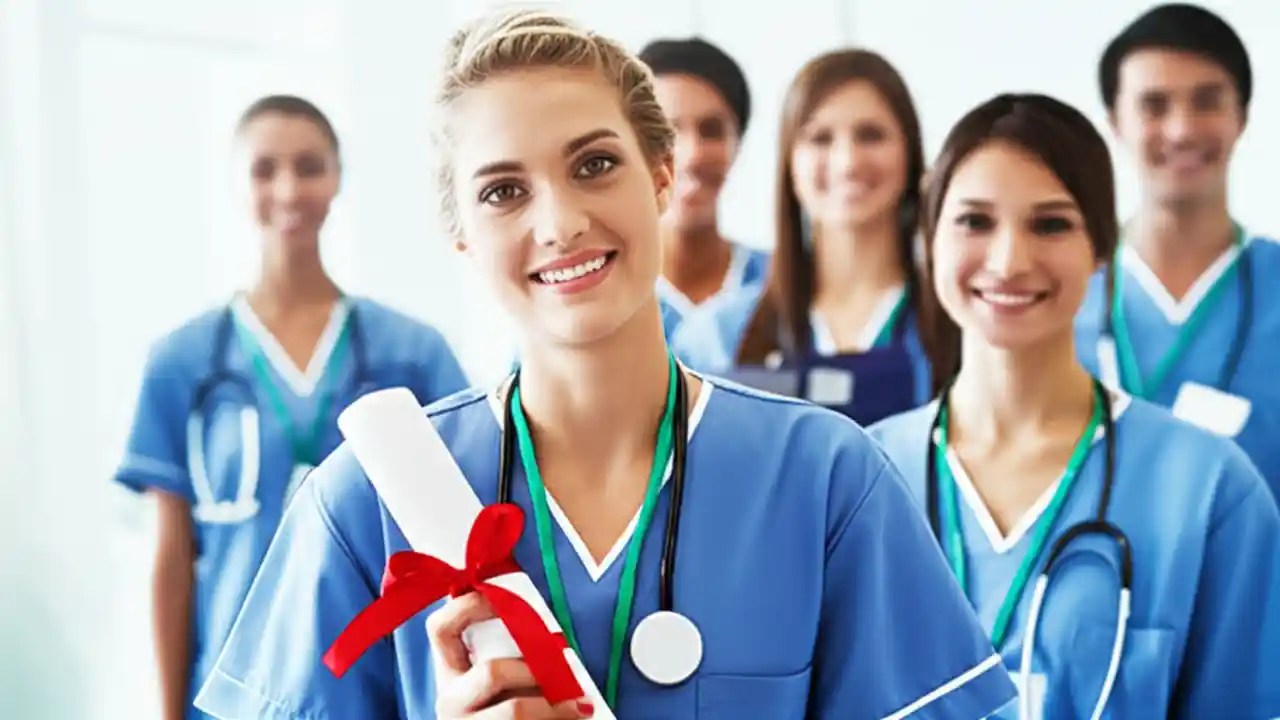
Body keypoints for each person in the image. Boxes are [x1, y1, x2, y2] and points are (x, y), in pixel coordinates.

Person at [193, 10, 1017, 719]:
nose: (559, 222)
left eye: (594, 164)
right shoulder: (367, 502)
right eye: (503, 192)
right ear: (460, 237)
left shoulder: (825, 479)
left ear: (662, 176)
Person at [869, 93, 1280, 718]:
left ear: (1100, 246)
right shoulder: (856, 480)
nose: (1009, 261)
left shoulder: (1209, 491)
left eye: (1051, 224)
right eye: (975, 222)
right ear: (927, 238)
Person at [113, 94, 469, 720]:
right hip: (232, 692)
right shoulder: (183, 360)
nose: (288, 188)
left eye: (309, 166)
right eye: (264, 169)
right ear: (236, 184)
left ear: (337, 178)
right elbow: (171, 558)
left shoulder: (411, 353)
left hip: (381, 681)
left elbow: (460, 542)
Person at [1075, 3, 1280, 499]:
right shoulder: (1063, 289)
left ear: (1242, 116)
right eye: (1154, 105)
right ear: (1115, 121)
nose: (1182, 129)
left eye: (1207, 101)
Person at [673, 49, 933, 416]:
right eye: (821, 138)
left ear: (911, 153)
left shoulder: (958, 330)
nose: (848, 162)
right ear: (789, 163)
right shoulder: (716, 338)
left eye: (871, 135)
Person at [638, 37, 770, 337]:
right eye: (667, 131)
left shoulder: (783, 285)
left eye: (712, 131)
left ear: (738, 142)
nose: (692, 154)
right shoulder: (594, 291)